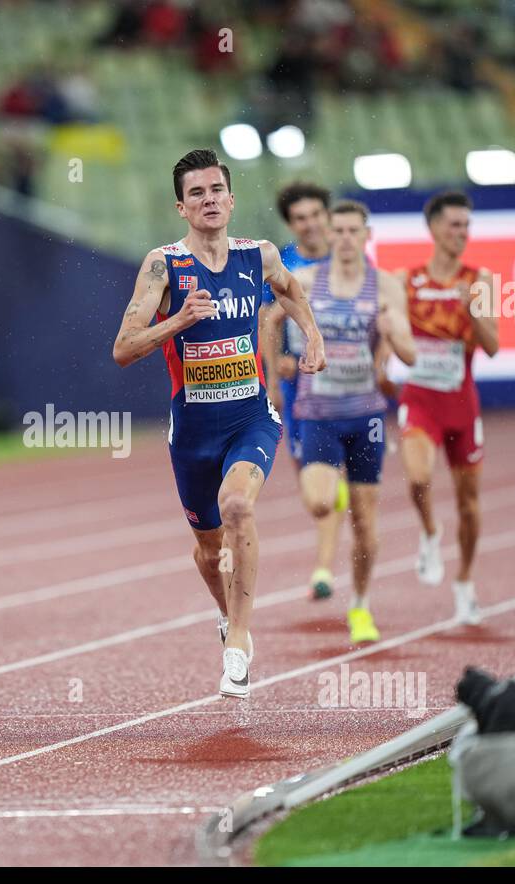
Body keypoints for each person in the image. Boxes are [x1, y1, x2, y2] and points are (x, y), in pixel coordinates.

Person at [112, 149, 326, 698]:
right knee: (209, 550)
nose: (209, 201)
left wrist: (314, 337)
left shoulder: (259, 254)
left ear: (231, 199)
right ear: (181, 207)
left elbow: (290, 290)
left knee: (238, 506)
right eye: (197, 194)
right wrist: (178, 321)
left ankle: (241, 640)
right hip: (193, 431)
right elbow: (123, 348)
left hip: (251, 416)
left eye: (216, 191)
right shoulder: (163, 266)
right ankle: (229, 617)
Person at [291, 200, 415, 644]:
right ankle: (334, 485)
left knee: (365, 521)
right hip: (319, 414)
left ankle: (360, 605)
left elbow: (410, 355)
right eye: (337, 231)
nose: (344, 239)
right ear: (328, 235)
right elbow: (271, 320)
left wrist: (393, 329)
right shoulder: (304, 282)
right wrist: (276, 371)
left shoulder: (385, 287)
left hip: (367, 416)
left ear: (366, 236)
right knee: (322, 503)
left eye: (351, 231)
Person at [392, 191, 498, 625]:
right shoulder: (405, 279)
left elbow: (492, 346)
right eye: (453, 225)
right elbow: (392, 337)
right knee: (418, 478)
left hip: (462, 405)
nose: (461, 233)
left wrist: (470, 308)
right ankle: (431, 532)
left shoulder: (480, 279)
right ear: (433, 228)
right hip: (420, 401)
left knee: (469, 504)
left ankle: (465, 581)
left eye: (466, 226)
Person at [258, 182, 348, 602]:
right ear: (290, 224)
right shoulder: (281, 263)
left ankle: (324, 568)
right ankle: (331, 495)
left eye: (316, 215)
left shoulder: (350, 255)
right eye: (300, 219)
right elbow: (267, 320)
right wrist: (275, 375)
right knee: (314, 493)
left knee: (346, 491)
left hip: (350, 386)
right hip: (302, 390)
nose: (310, 224)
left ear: (327, 216)